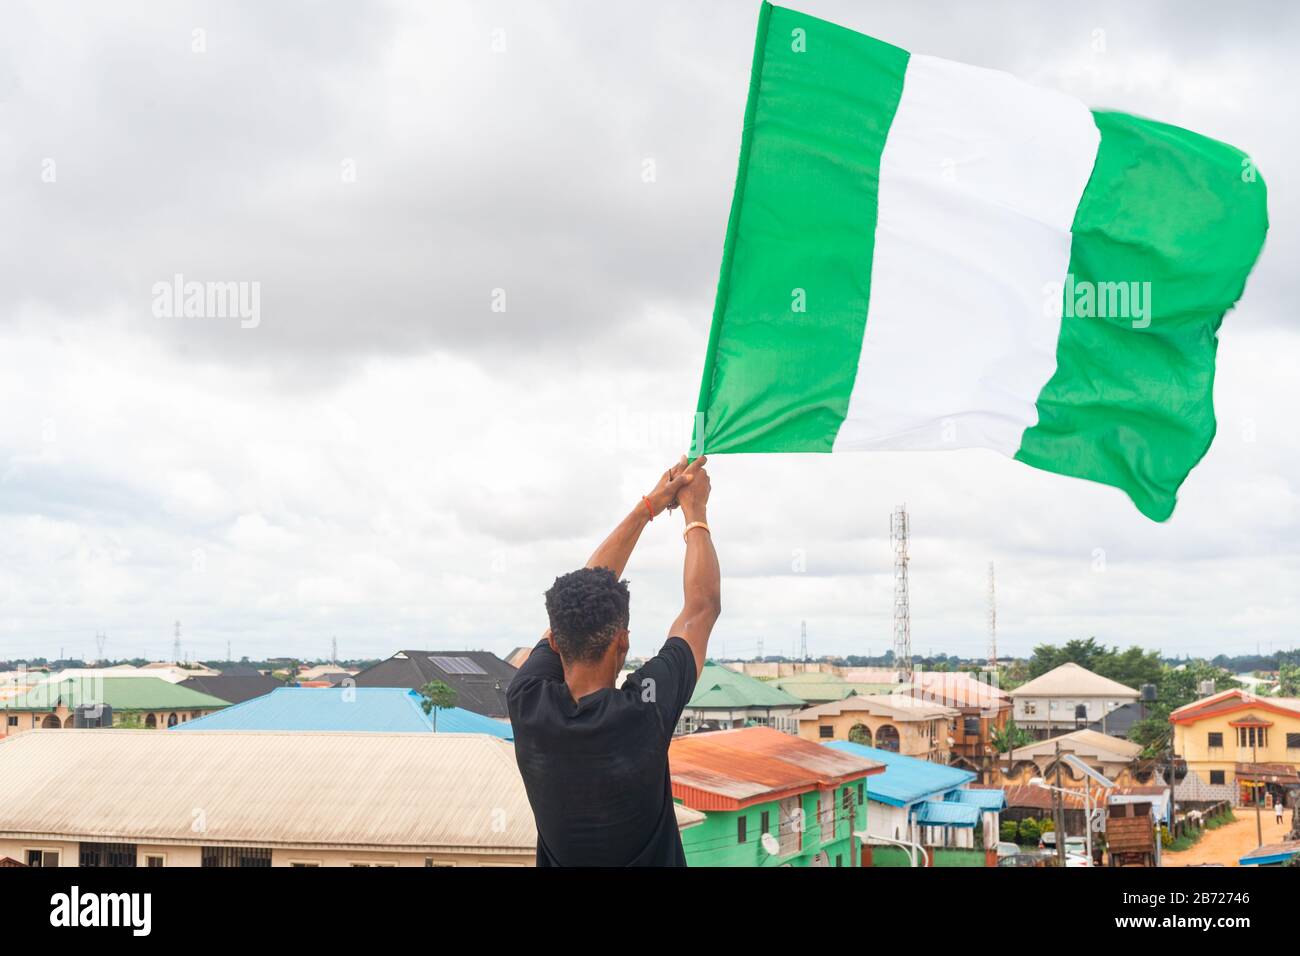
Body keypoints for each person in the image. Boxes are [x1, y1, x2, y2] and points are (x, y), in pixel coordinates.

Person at [506, 455, 720, 866]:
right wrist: (694, 510)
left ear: (555, 639)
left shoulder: (526, 700)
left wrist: (649, 506)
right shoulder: (644, 710)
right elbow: (701, 609)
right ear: (622, 642)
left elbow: (583, 595)